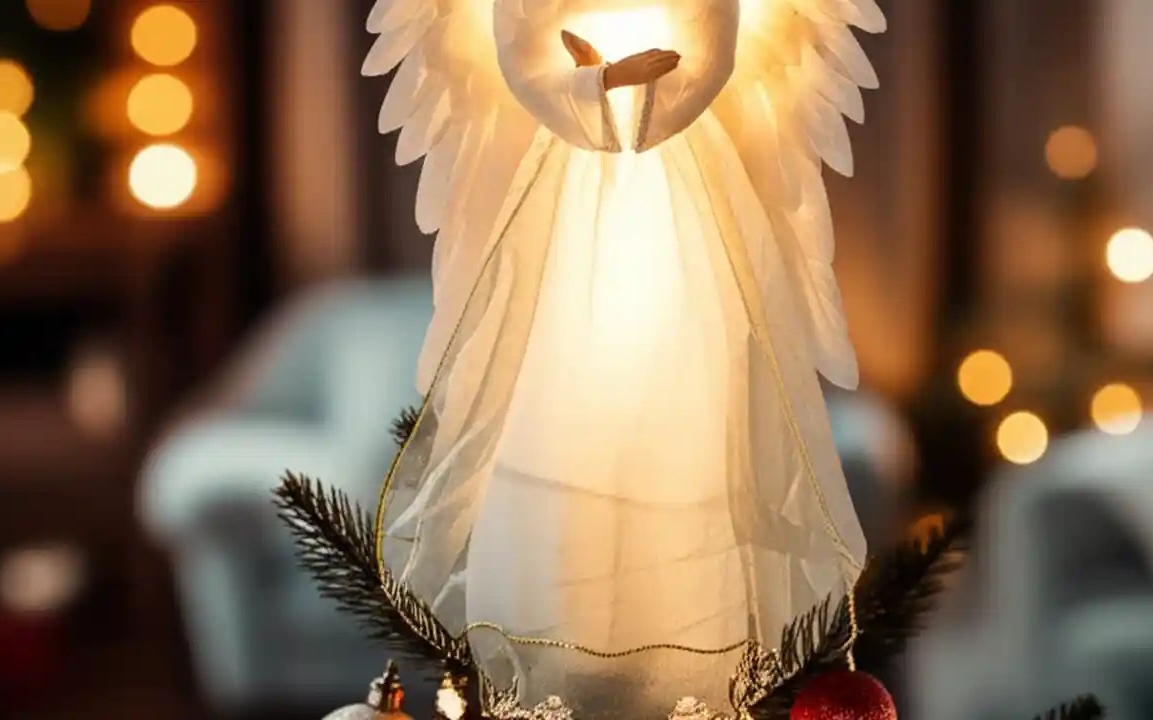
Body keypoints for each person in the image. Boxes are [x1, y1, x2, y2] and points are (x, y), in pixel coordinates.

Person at [363, 0, 885, 716]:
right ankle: (562, 635)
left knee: (682, 392)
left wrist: (632, 92)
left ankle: (679, 636)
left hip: (680, 192)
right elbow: (521, 60)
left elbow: (712, 56)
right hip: (569, 194)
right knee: (561, 393)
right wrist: (602, 86)